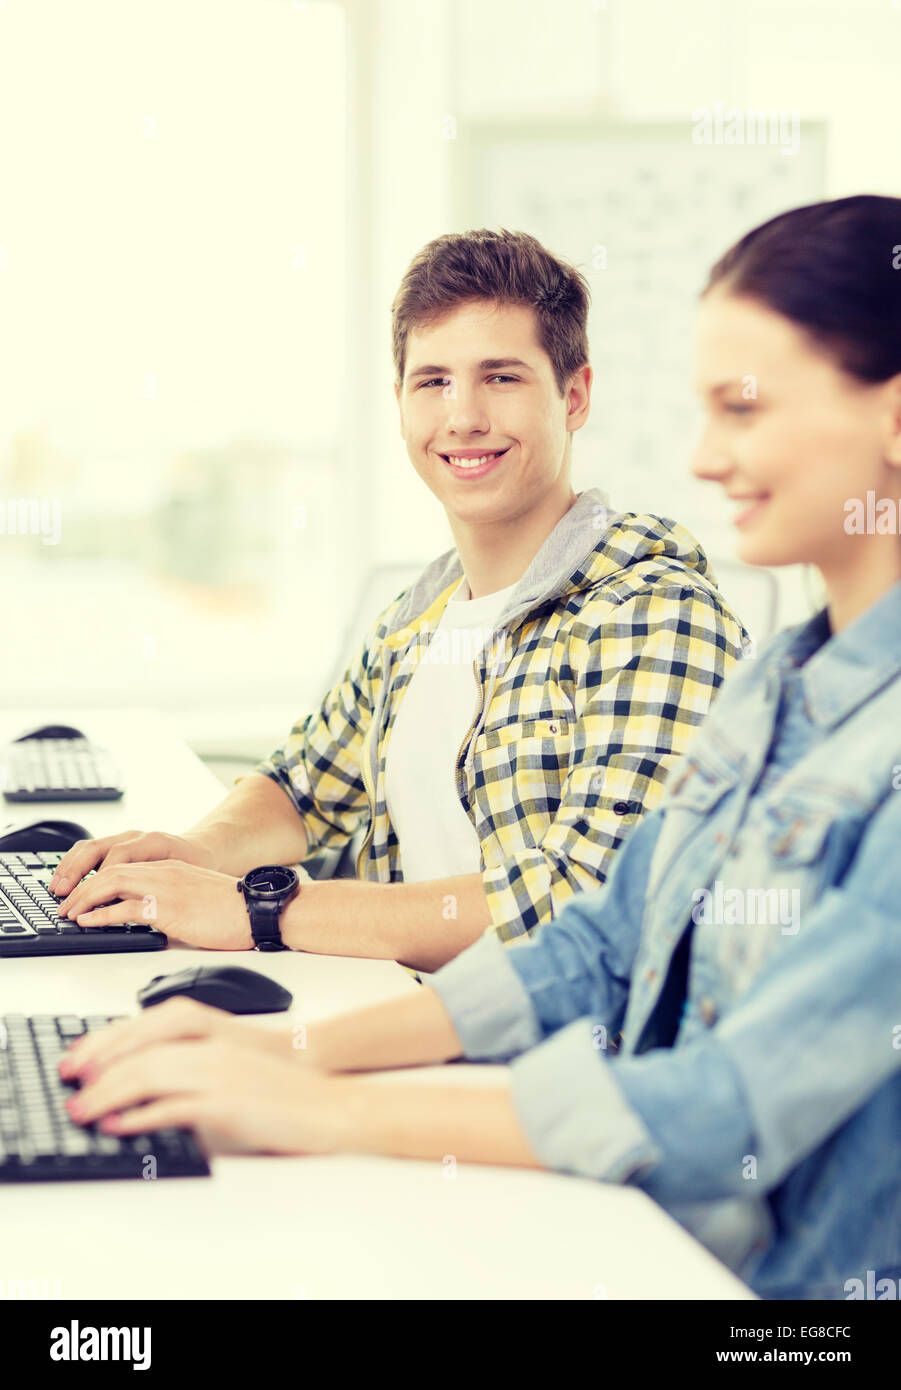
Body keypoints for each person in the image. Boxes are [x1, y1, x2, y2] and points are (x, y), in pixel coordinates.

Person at [59, 195, 901, 1300]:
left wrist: (321, 1089)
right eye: (432, 380)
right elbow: (595, 944)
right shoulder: (778, 688)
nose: (701, 458)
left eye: (743, 409)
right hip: (621, 1208)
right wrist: (292, 1054)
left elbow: (727, 1100)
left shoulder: (678, 622)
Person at [49, 229, 744, 972]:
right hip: (407, 1018)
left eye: (501, 378)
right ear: (401, 401)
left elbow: (581, 901)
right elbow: (301, 787)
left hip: (549, 1065)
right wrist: (195, 852)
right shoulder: (423, 615)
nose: (463, 416)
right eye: (433, 380)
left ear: (573, 396)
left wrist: (256, 910)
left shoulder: (654, 614)